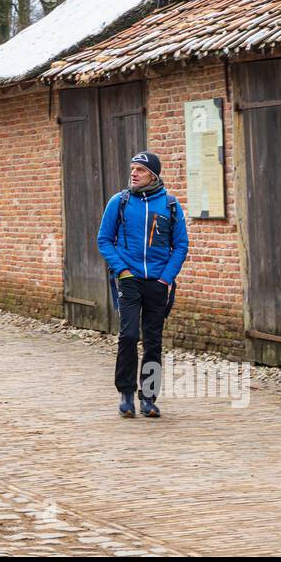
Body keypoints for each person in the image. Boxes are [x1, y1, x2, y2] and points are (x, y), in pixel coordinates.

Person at [96, 151, 189, 419]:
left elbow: (180, 244)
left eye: (140, 170)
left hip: (158, 282)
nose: (133, 173)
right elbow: (104, 239)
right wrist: (122, 270)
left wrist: (165, 278)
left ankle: (148, 398)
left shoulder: (170, 205)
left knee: (153, 341)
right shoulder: (120, 202)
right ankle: (126, 393)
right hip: (129, 280)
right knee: (128, 335)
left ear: (153, 176)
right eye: (132, 168)